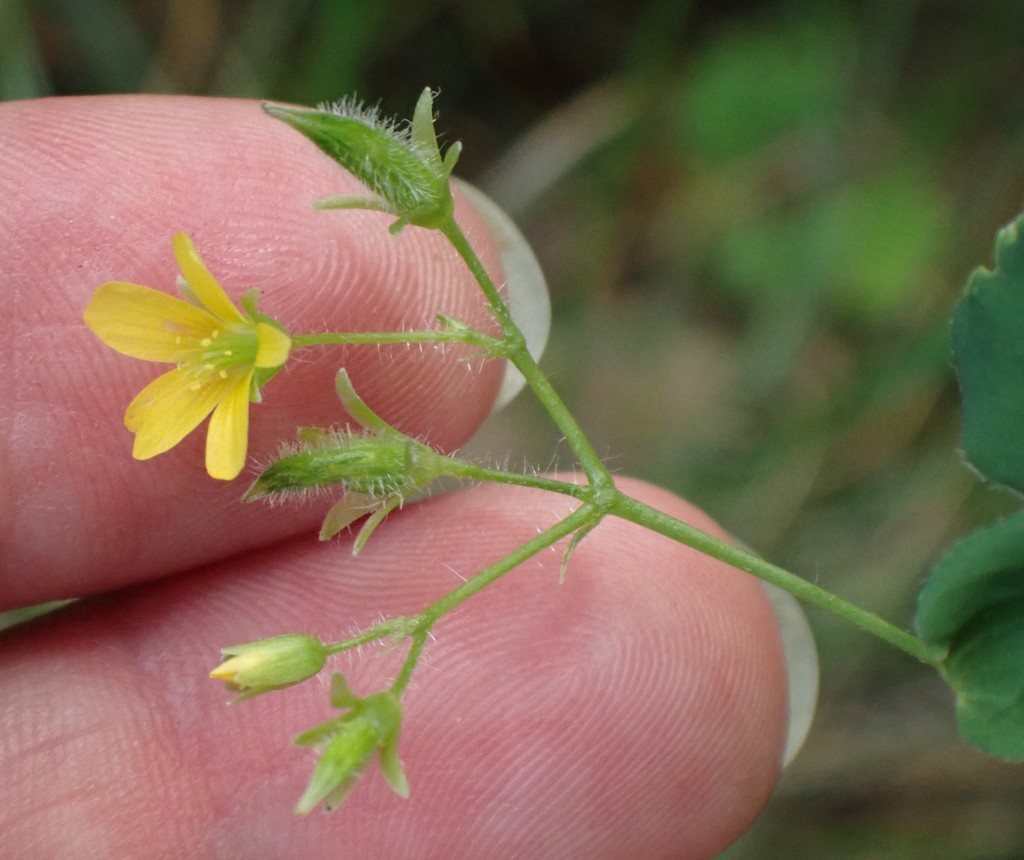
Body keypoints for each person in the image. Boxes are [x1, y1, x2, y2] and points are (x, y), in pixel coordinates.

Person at [0, 95, 812, 858]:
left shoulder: (262, 342)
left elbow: (258, 350)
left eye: (231, 343)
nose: (224, 351)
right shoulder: (251, 355)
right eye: (226, 349)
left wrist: (251, 349)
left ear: (244, 328)